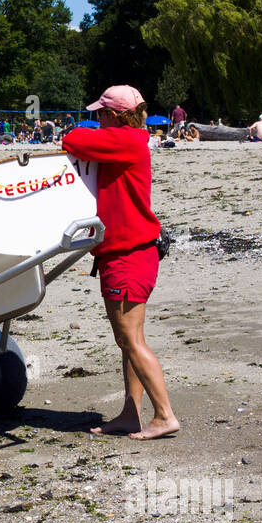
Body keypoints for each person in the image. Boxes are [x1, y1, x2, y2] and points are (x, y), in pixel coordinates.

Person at [62, 84, 179, 441]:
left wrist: (91, 129)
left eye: (100, 112)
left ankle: (164, 415)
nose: (95, 118)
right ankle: (131, 413)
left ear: (113, 115)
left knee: (130, 339)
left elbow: (72, 141)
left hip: (128, 255)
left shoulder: (125, 140)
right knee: (130, 339)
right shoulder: (132, 139)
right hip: (133, 252)